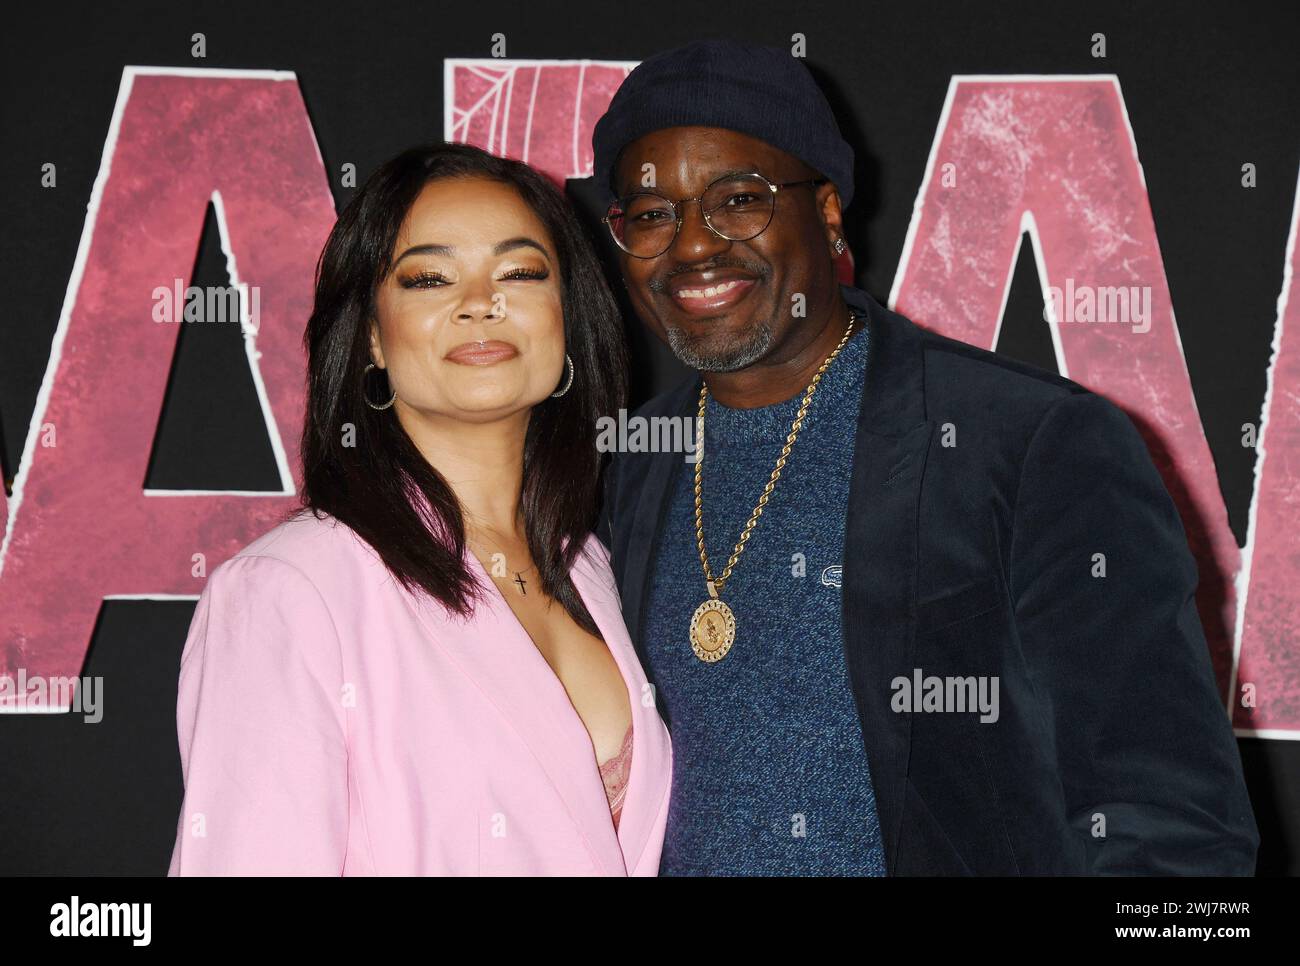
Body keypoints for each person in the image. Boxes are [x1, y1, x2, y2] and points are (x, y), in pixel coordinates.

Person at [592, 39, 1258, 875]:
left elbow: (1171, 821)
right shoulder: (625, 472)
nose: (692, 245)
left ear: (828, 214)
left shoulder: (1031, 443)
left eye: (740, 199)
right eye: (652, 214)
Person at [168, 142, 670, 875]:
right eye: (430, 278)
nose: (481, 303)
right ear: (372, 335)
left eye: (521, 271)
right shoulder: (291, 591)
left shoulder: (593, 563)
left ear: (568, 318)